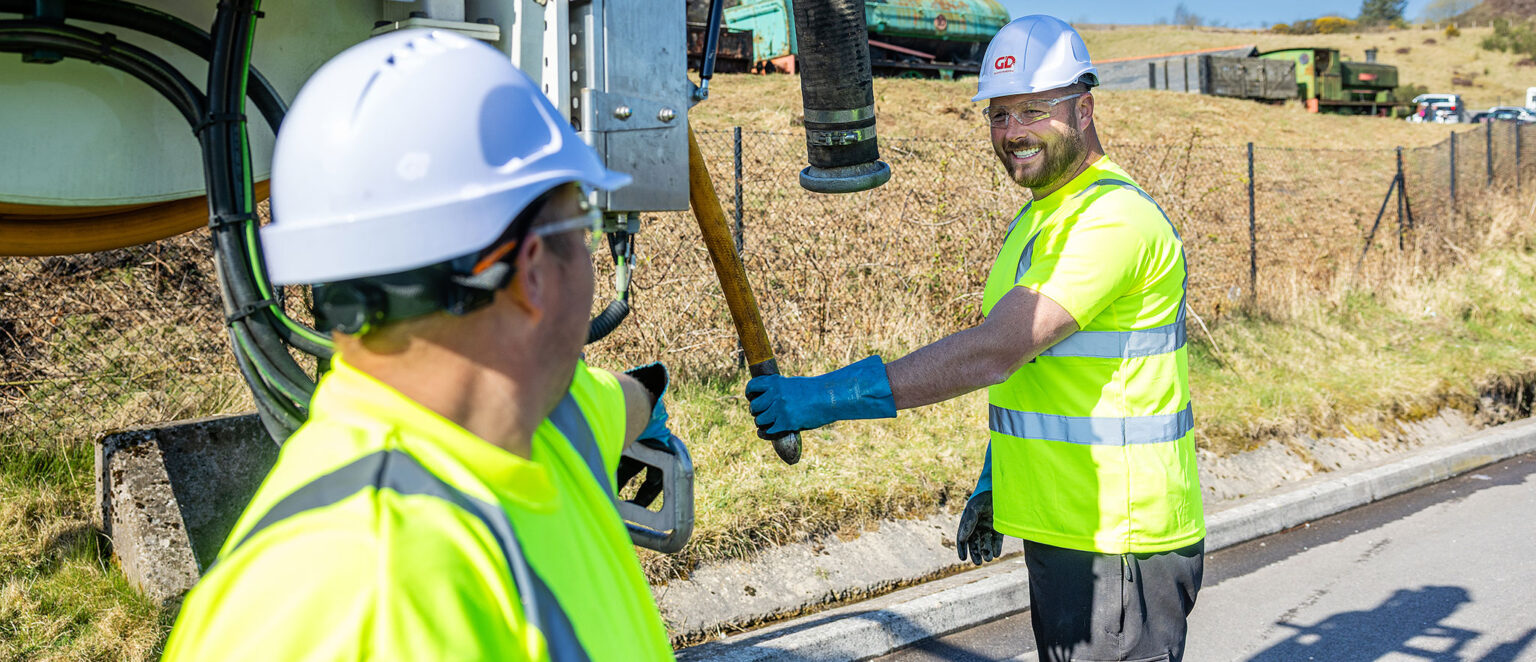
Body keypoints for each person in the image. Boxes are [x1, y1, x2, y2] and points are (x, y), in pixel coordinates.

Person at [162, 30, 677, 661]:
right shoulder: (363, 600)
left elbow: (617, 399)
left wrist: (652, 396)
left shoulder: (538, 418)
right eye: (586, 225)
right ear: (535, 269)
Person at [745, 14, 1204, 662]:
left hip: (1122, 540)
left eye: (1032, 110)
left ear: (1085, 108)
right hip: (1066, 529)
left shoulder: (1112, 219)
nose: (1012, 132)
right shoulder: (1042, 219)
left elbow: (997, 349)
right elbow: (1044, 369)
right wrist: (998, 478)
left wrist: (820, 399)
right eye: (999, 114)